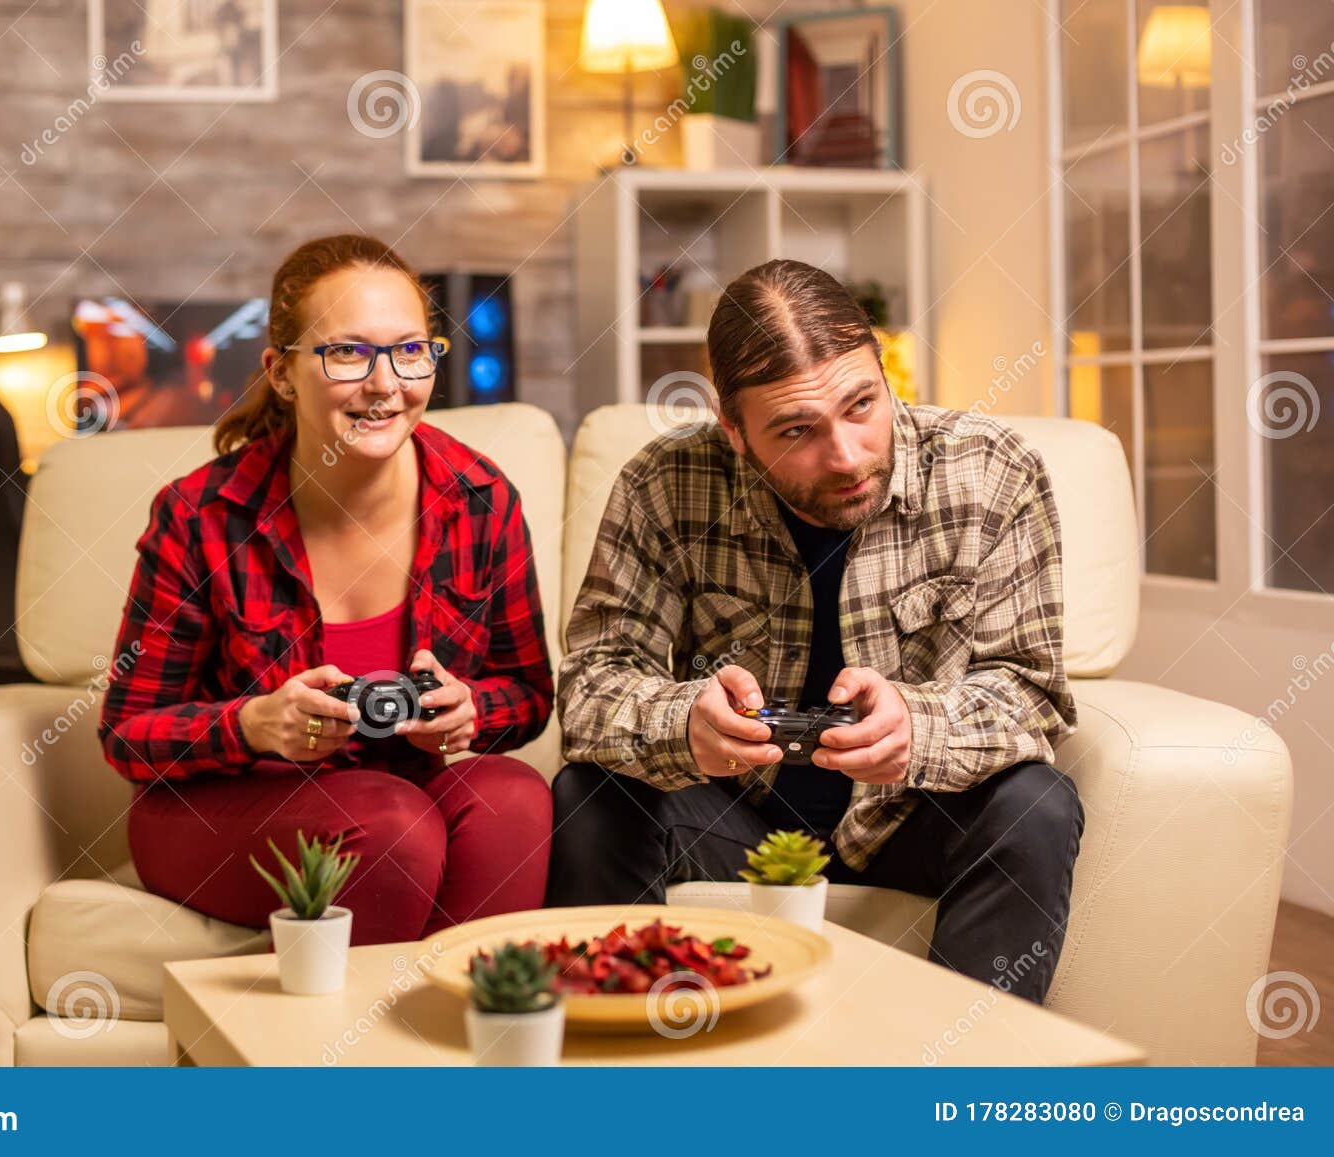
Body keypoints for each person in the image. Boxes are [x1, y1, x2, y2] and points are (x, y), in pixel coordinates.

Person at [547, 259, 1082, 1003]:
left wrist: (917, 727)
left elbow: (1031, 692)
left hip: (914, 814)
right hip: (740, 819)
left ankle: (953, 1095)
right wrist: (684, 720)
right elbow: (592, 685)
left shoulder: (992, 473)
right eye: (797, 430)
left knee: (1037, 803)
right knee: (592, 793)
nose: (847, 456)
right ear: (733, 430)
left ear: (886, 377)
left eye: (862, 405)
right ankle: (622, 1080)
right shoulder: (663, 485)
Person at [98, 233, 554, 945]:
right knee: (391, 825)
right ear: (281, 372)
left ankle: (457, 1043)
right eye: (348, 352)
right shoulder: (202, 515)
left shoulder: (481, 498)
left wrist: (469, 712)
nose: (385, 384)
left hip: (402, 791)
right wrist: (253, 723)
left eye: (410, 350)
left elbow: (528, 693)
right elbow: (127, 733)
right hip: (229, 804)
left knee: (515, 801)